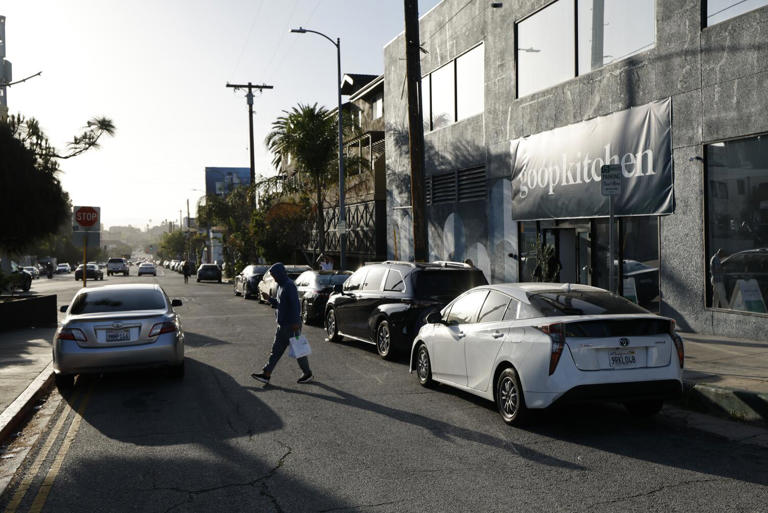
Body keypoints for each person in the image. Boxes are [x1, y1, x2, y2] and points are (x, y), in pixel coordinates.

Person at [252, 263, 313, 385]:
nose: (274, 278)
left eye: (274, 275)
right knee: (276, 350)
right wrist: (269, 299)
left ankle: (307, 373)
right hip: (283, 325)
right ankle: (266, 374)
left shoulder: (289, 285)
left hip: (291, 325)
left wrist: (296, 322)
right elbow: (280, 304)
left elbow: (295, 305)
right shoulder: (281, 286)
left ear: (280, 274)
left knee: (298, 350)